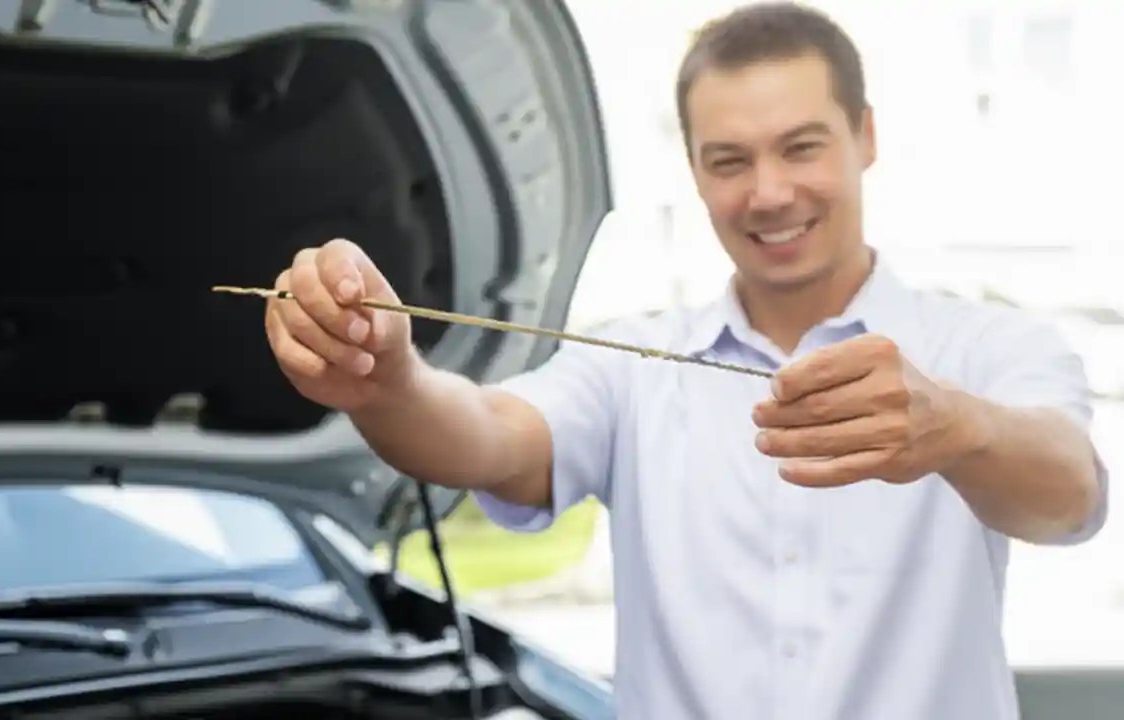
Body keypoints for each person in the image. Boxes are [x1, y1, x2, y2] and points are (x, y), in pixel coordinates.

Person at [263, 2, 1109, 718]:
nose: (768, 192)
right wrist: (389, 383)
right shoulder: (634, 367)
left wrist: (960, 430)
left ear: (866, 137)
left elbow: (1073, 499)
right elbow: (486, 436)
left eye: (801, 147)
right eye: (729, 160)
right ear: (696, 172)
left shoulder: (988, 348)